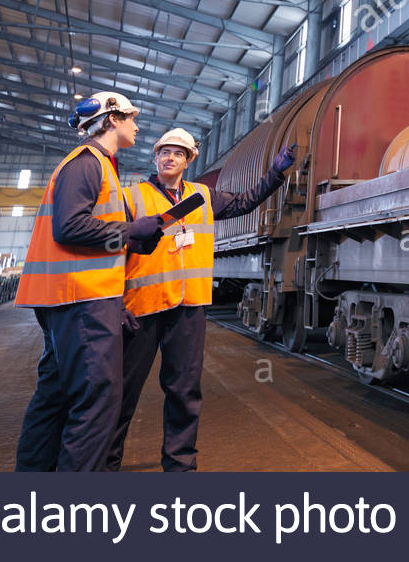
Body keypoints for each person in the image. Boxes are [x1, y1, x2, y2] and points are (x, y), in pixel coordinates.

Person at [105, 128, 297, 472]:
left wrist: (275, 174)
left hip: (189, 309)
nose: (170, 158)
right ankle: (106, 463)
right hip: (142, 308)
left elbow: (245, 201)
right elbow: (113, 252)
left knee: (184, 391)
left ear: (188, 160)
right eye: (164, 152)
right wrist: (115, 303)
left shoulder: (203, 196)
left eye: (178, 153)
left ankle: (180, 466)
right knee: (123, 391)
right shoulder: (131, 197)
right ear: (155, 157)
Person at [14, 90, 165, 472]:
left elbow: (87, 232)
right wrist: (130, 231)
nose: (137, 125)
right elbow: (70, 228)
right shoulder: (87, 163)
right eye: (131, 117)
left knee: (56, 397)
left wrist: (131, 239)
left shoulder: (99, 166)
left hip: (74, 300)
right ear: (112, 119)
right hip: (80, 300)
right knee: (98, 400)